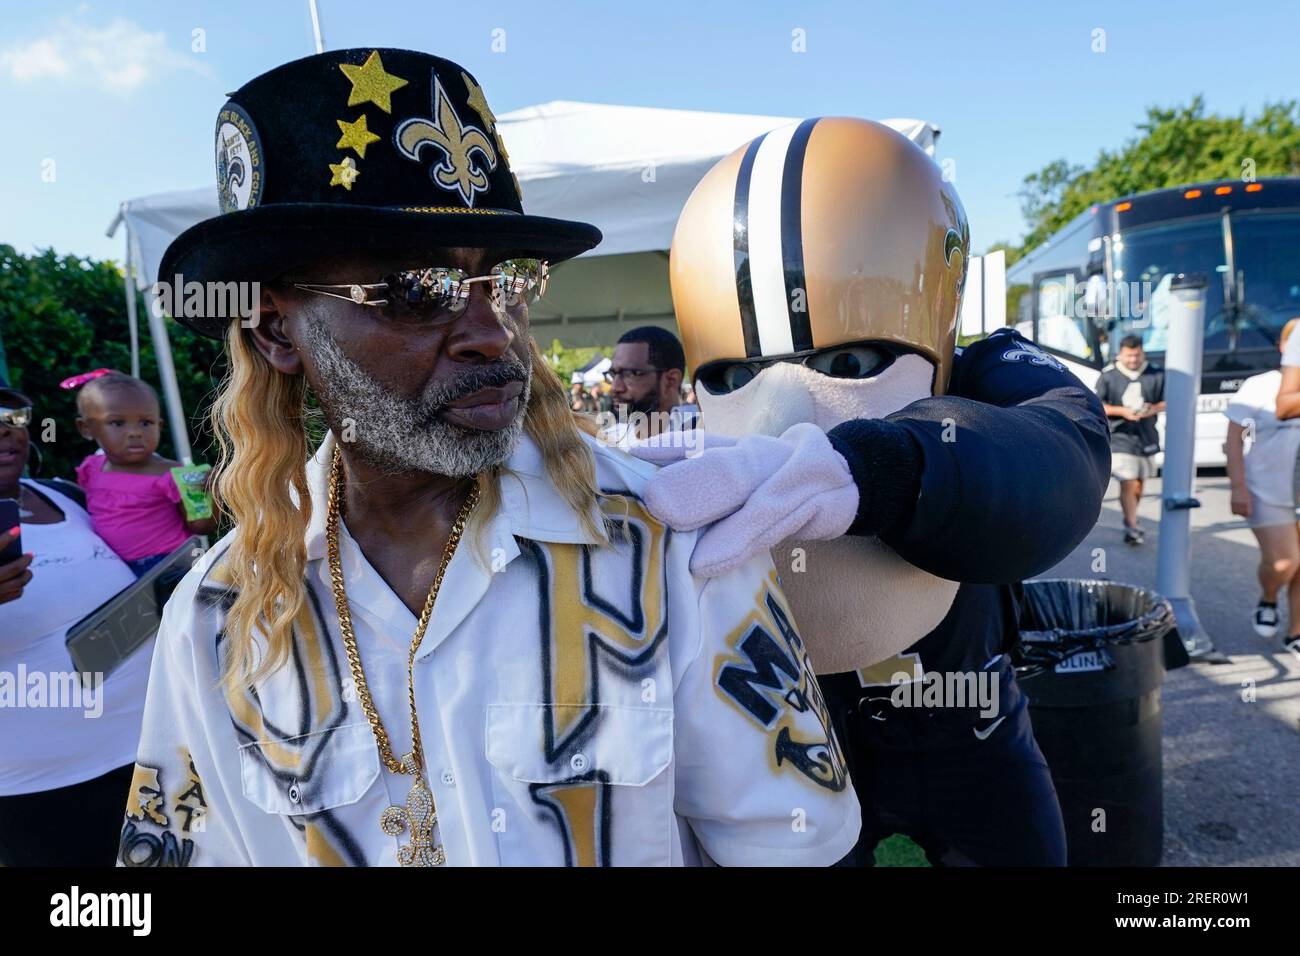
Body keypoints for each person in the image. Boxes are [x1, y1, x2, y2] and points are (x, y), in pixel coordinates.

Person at [117, 49, 858, 868]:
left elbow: (793, 846)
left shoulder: (669, 547)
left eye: (500, 282)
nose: (489, 332)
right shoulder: (221, 616)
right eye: (414, 290)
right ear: (276, 331)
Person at [633, 117, 1110, 866]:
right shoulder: (699, 440)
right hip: (801, 750)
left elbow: (1068, 451)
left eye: (853, 360)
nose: (785, 423)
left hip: (969, 729)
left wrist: (885, 465)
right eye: (732, 376)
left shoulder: (989, 367)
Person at [0, 384, 155, 866]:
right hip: (44, 787)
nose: (6, 428)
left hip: (152, 749)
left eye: (15, 416)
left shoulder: (67, 495)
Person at [71, 370, 216, 576]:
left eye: (146, 423)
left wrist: (215, 492)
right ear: (86, 428)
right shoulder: (92, 468)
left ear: (159, 425)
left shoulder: (175, 474)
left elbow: (201, 526)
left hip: (171, 566)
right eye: (117, 423)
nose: (135, 432)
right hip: (112, 566)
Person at [1228, 318, 1300, 650]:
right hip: (1265, 489)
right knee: (1284, 562)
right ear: (1283, 348)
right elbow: (1233, 439)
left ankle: (1295, 633)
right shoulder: (1259, 386)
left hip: (1296, 490)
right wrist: (1238, 487)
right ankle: (1269, 597)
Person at [1095, 335, 1166, 545]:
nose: (1133, 360)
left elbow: (1168, 400)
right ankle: (1132, 524)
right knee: (1128, 480)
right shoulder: (1108, 376)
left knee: (1139, 483)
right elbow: (1097, 405)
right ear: (1120, 354)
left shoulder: (1156, 373)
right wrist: (1123, 411)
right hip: (1119, 435)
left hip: (1146, 435)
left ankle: (1131, 517)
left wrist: (1151, 409)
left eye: (1137, 356)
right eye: (1129, 356)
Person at [600, 326, 696, 447]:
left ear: (671, 380)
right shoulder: (609, 442)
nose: (615, 387)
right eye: (613, 374)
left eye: (631, 373)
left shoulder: (703, 436)